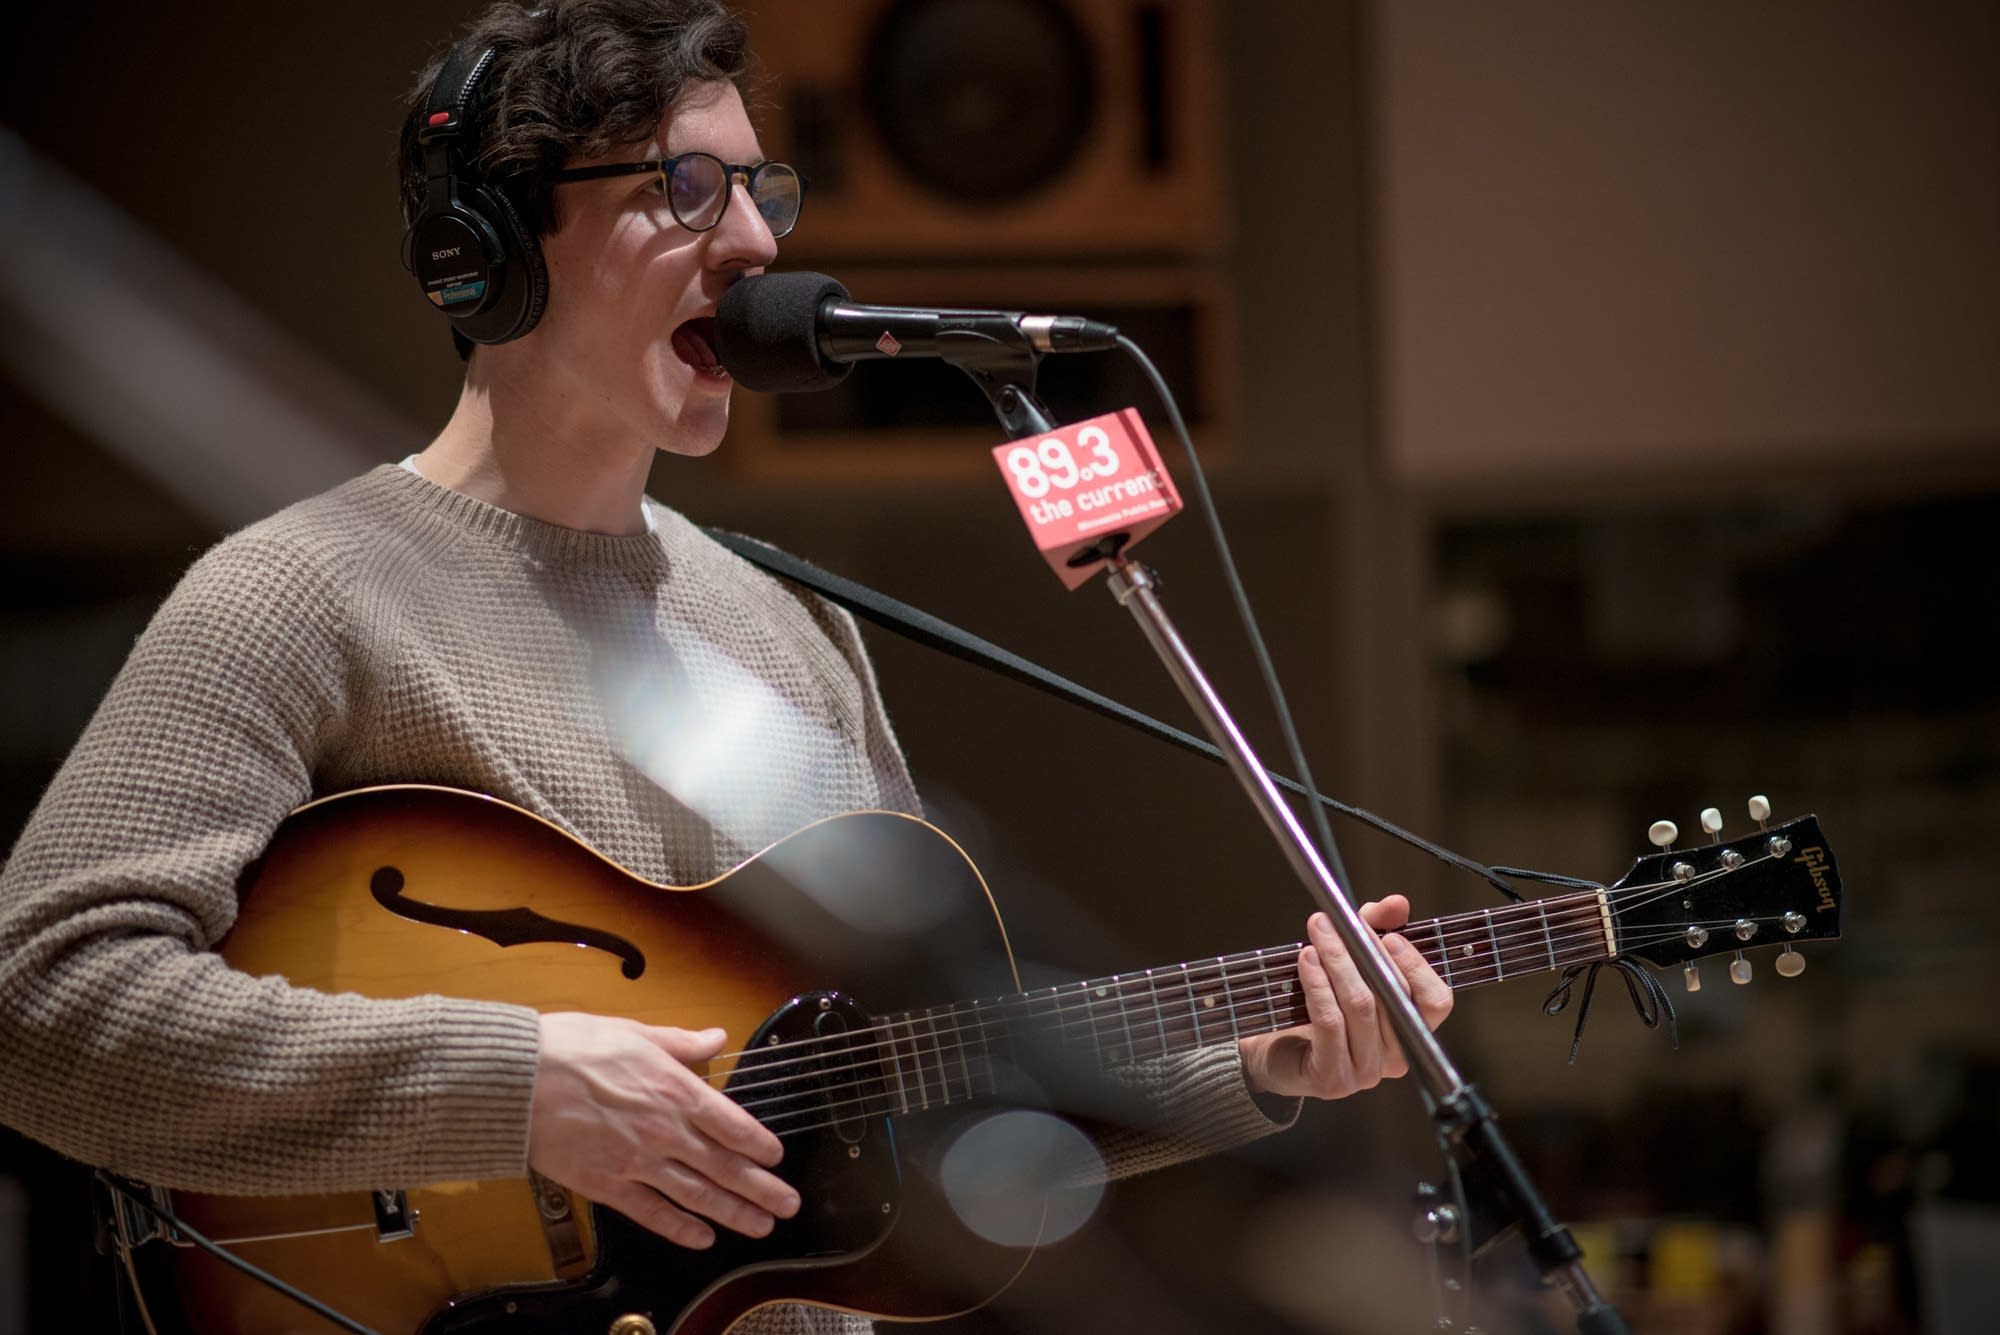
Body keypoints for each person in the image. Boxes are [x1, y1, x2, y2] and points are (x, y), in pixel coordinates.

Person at [0, 1, 1453, 1330]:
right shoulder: (300, 593)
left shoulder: (782, 632)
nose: (757, 248)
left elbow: (906, 1083)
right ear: (490, 246)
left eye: (761, 190)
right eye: (682, 192)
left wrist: (1258, 1067)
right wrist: (512, 1089)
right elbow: (41, 999)